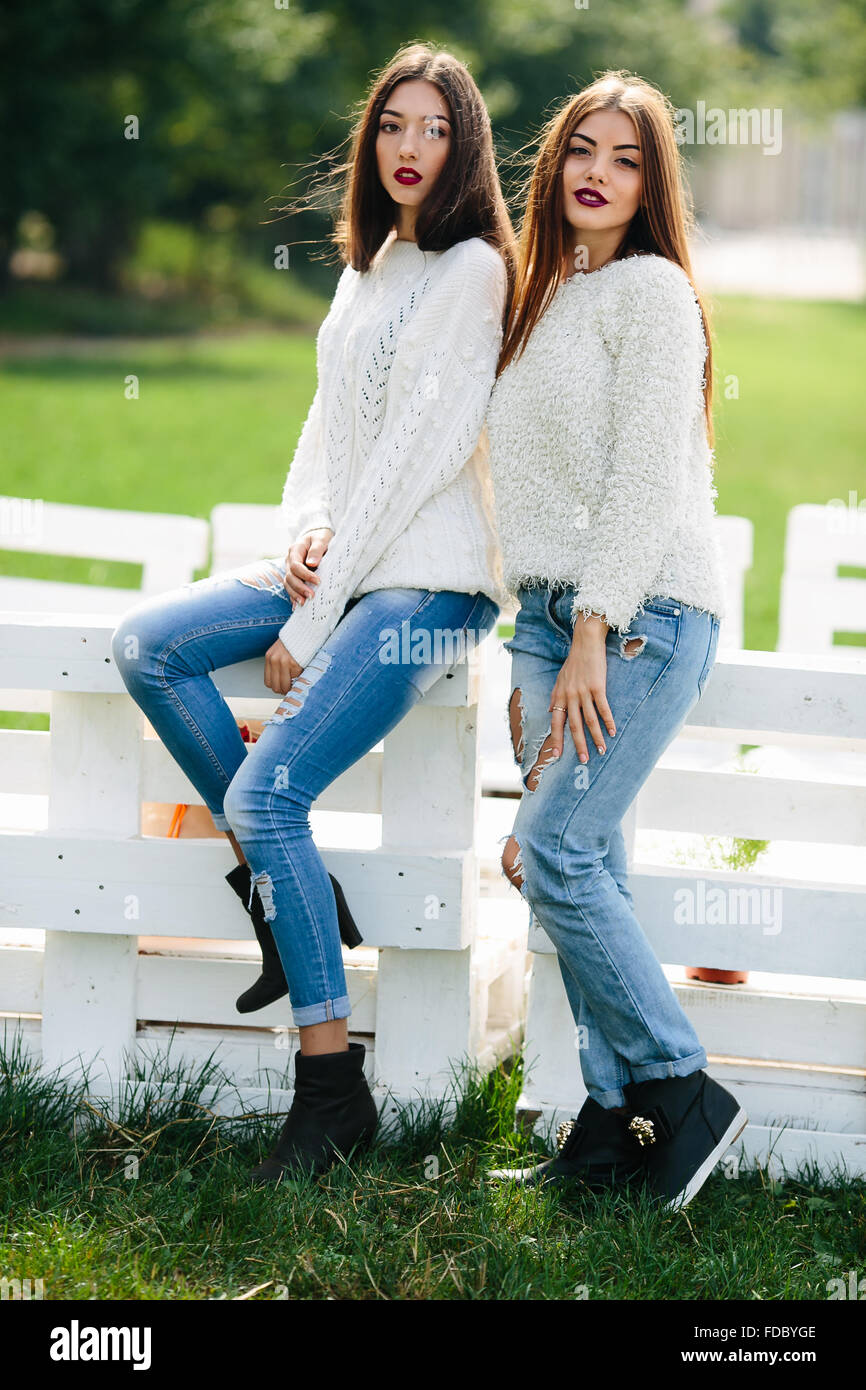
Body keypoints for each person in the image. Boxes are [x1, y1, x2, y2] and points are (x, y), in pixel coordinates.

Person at [111, 41, 514, 1183]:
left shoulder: (472, 268)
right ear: (371, 138)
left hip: (424, 579)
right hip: (342, 555)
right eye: (394, 123)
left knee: (267, 785)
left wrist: (310, 616)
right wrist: (296, 534)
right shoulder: (372, 260)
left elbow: (414, 456)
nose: (410, 147)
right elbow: (330, 432)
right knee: (149, 647)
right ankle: (282, 887)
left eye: (435, 128)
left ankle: (332, 1093)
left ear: (467, 146)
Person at [484, 70, 746, 1212]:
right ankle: (613, 1119)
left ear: (650, 185)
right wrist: (525, 644)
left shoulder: (650, 293)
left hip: (638, 614)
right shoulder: (540, 296)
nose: (596, 171)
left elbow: (643, 478)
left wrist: (591, 626)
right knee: (592, 866)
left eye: (625, 158)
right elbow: (528, 490)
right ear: (553, 168)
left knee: (556, 853)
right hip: (548, 618)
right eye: (580, 150)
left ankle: (680, 1086)